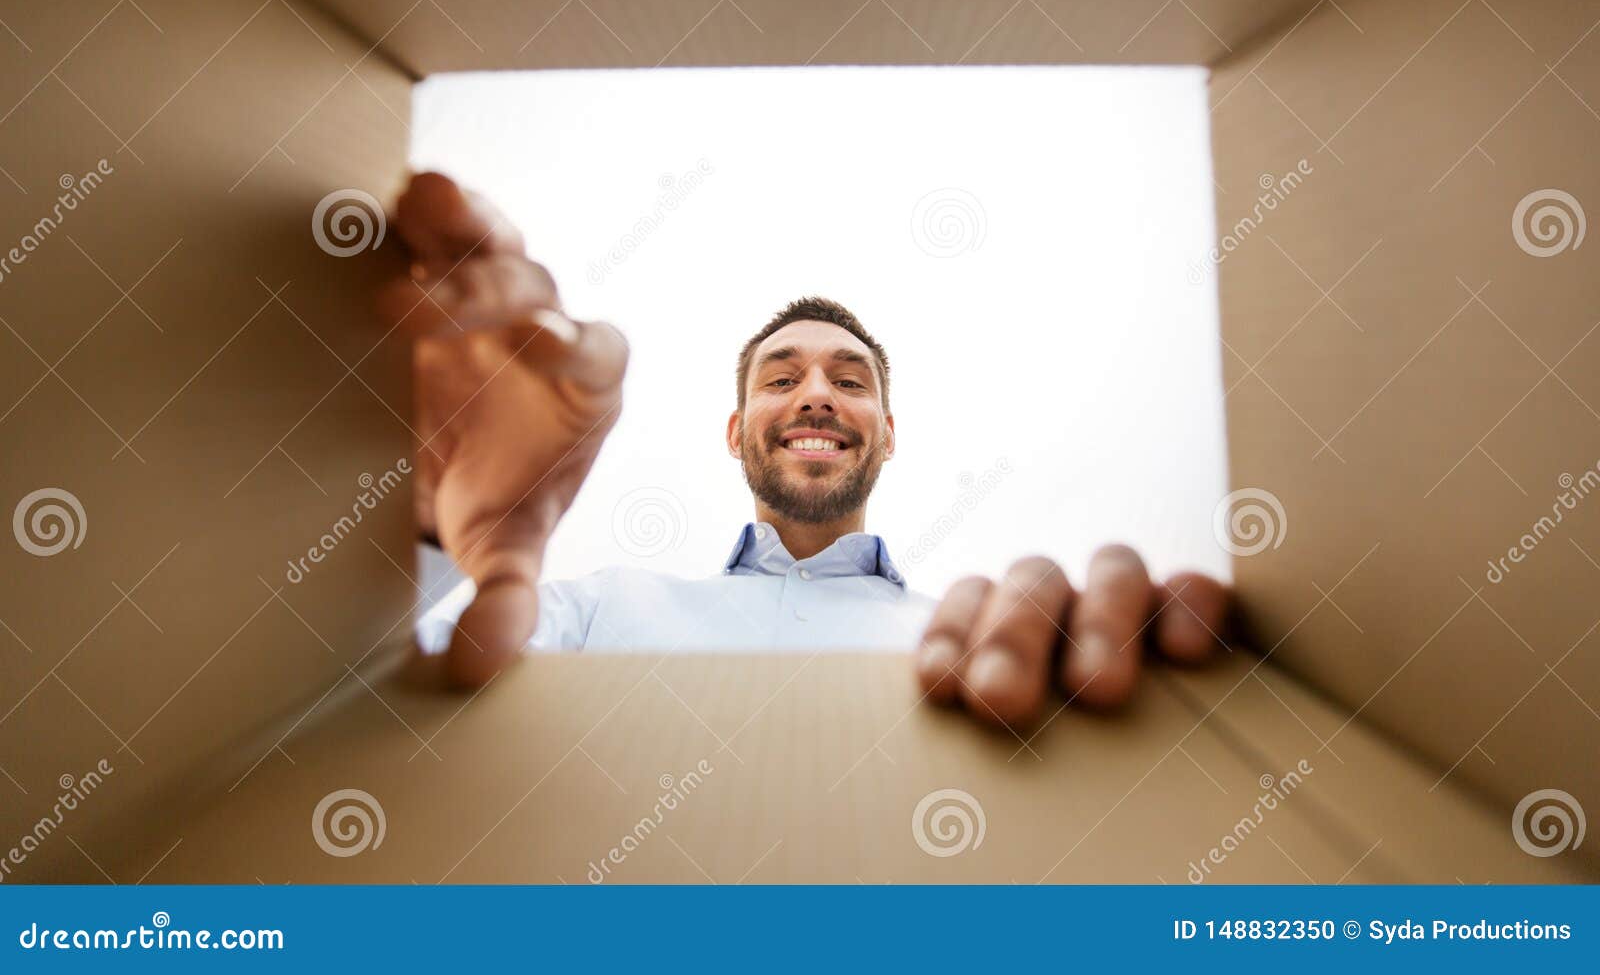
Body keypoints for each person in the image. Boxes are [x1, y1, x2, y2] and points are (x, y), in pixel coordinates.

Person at [380, 172, 1231, 729]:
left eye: (850, 380)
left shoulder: (977, 643)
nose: (817, 392)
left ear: (888, 434)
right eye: (781, 379)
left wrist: (1170, 708)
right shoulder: (595, 610)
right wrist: (422, 533)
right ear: (734, 432)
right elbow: (358, 713)